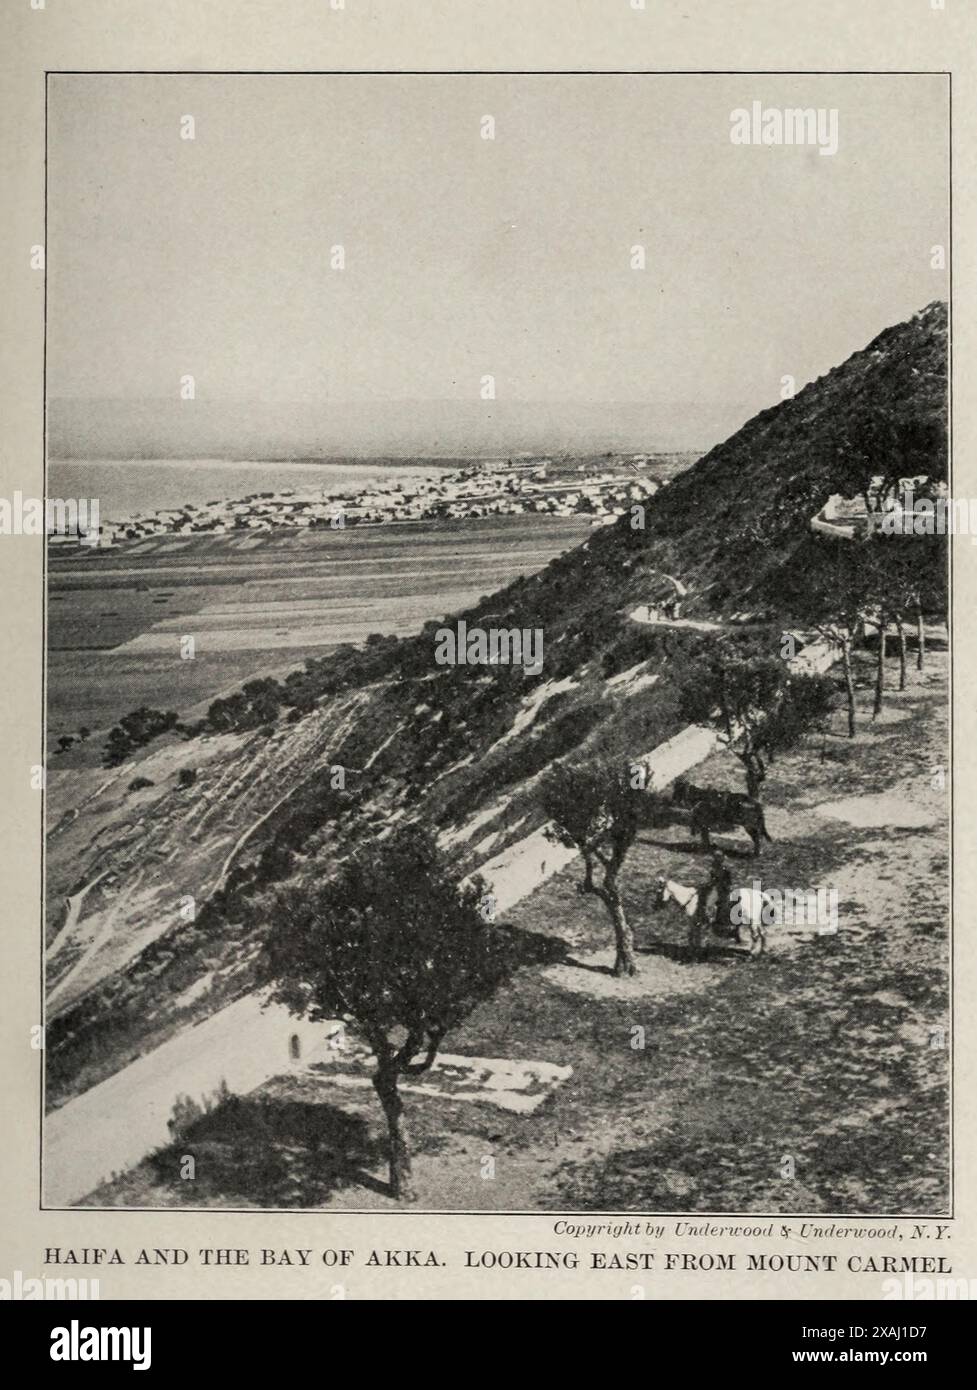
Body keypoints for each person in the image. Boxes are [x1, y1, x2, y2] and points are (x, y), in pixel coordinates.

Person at [706, 849, 733, 936]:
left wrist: (724, 886)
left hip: (722, 890)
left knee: (717, 904)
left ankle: (717, 922)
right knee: (709, 903)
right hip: (716, 888)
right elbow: (712, 879)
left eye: (718, 857)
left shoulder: (725, 869)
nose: (716, 859)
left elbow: (728, 881)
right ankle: (710, 920)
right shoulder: (713, 868)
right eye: (715, 857)